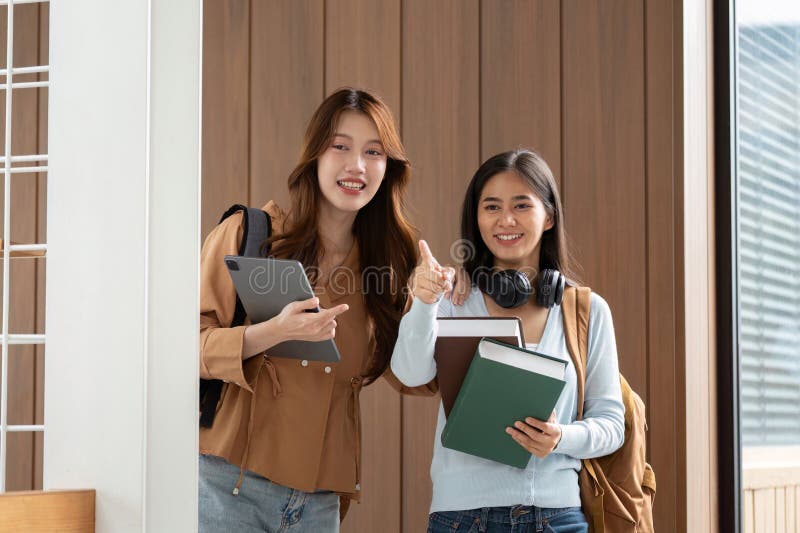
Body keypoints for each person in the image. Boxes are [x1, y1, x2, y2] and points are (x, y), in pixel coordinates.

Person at [198, 87, 427, 532]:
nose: (356, 165)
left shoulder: (389, 270)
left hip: (318, 505)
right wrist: (271, 333)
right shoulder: (250, 233)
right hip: (229, 488)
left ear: (388, 167)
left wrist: (430, 308)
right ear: (315, 156)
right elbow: (180, 347)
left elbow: (414, 376)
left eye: (373, 151)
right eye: (340, 146)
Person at [390, 149, 625, 533]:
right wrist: (424, 302)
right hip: (463, 518)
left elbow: (613, 425)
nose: (506, 220)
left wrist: (562, 437)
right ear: (476, 218)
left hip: (558, 517)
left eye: (521, 205)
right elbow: (411, 373)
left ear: (548, 216)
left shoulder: (586, 311)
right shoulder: (452, 298)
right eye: (492, 207)